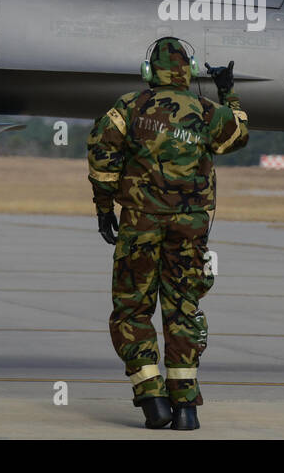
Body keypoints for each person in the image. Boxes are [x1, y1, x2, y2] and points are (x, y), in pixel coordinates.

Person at [87, 36, 247, 430]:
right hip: (189, 226)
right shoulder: (207, 112)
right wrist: (228, 93)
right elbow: (238, 135)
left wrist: (104, 207)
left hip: (140, 222)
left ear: (149, 71)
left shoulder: (128, 107)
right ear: (188, 71)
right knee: (183, 308)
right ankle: (186, 408)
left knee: (132, 307)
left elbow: (102, 155)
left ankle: (152, 398)